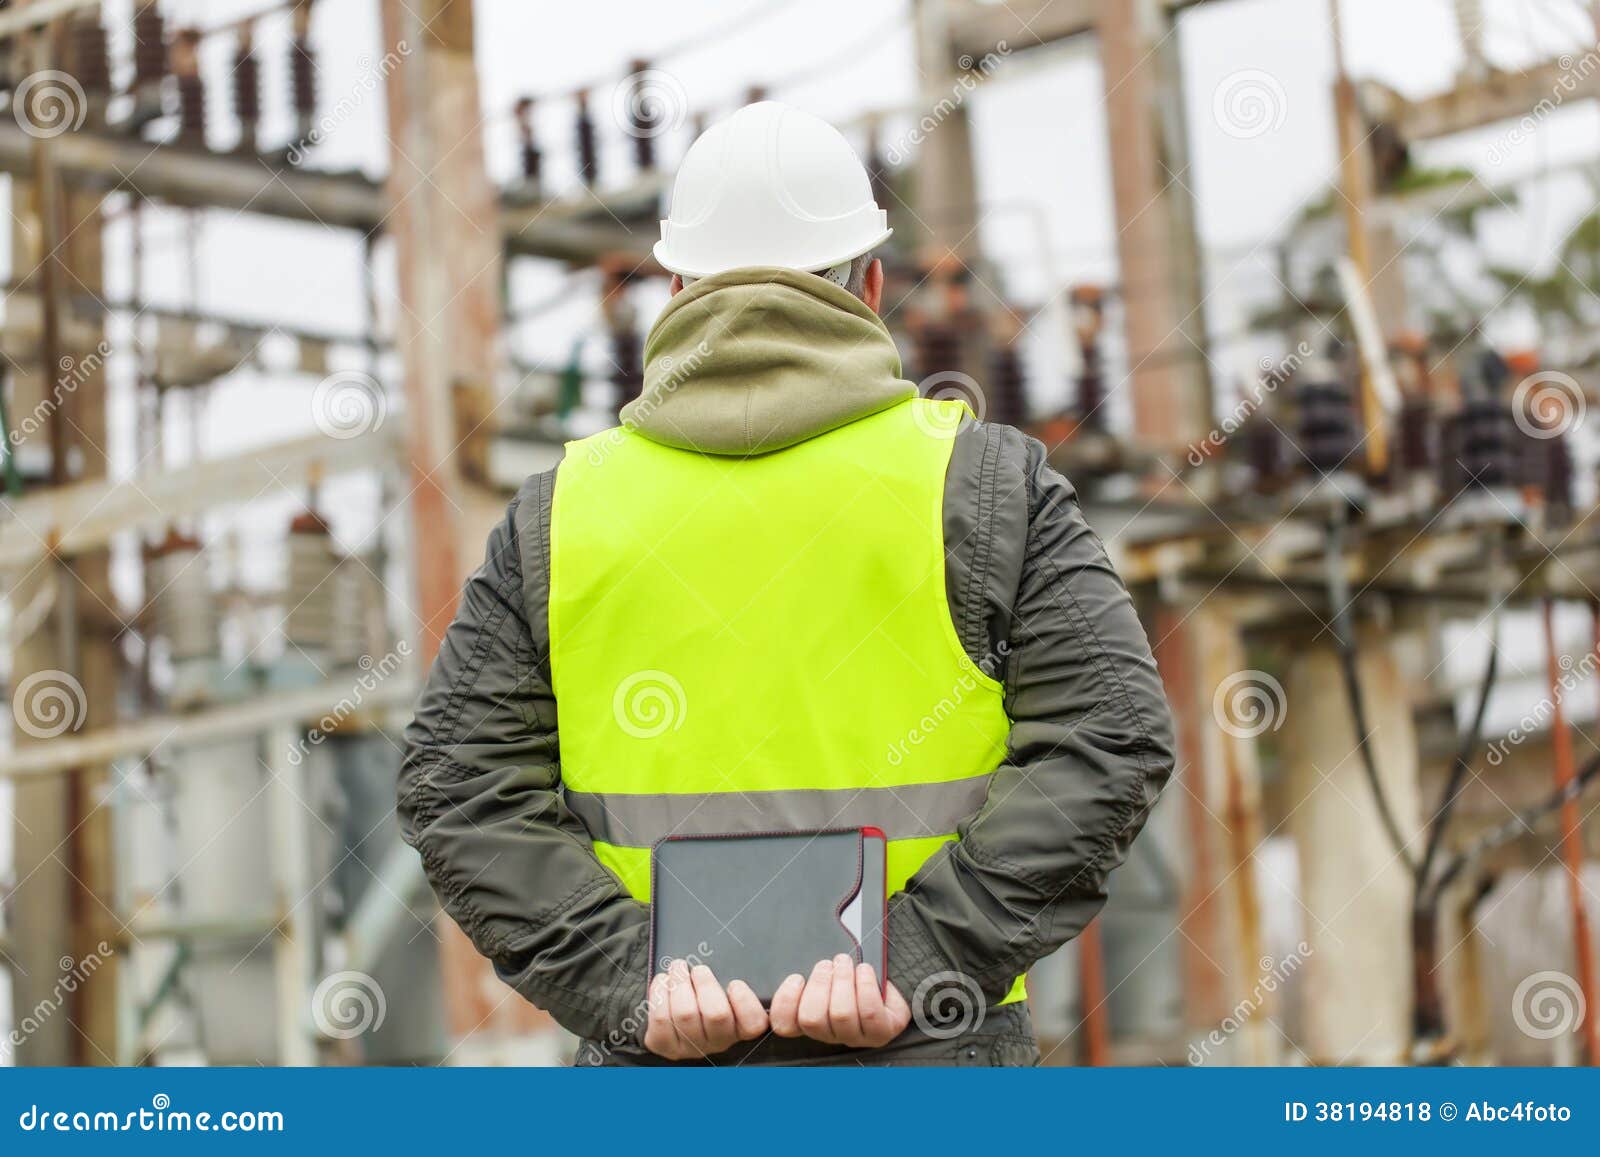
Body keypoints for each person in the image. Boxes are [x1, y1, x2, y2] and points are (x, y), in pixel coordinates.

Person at [398, 101, 1175, 1066]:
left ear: (676, 284)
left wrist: (627, 980)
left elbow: (455, 786)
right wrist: (916, 960)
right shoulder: (985, 487)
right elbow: (1115, 734)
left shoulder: (559, 518)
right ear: (874, 283)